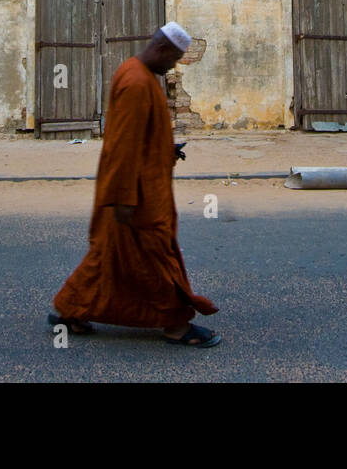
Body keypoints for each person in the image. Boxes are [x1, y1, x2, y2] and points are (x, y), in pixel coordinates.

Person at [49, 21, 221, 347]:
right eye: (173, 60)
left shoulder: (135, 71)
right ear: (162, 49)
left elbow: (140, 135)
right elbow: (124, 147)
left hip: (136, 191)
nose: (172, 67)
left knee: (108, 257)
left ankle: (68, 310)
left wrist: (165, 148)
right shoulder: (137, 83)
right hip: (136, 197)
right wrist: (124, 199)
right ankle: (175, 324)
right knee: (154, 259)